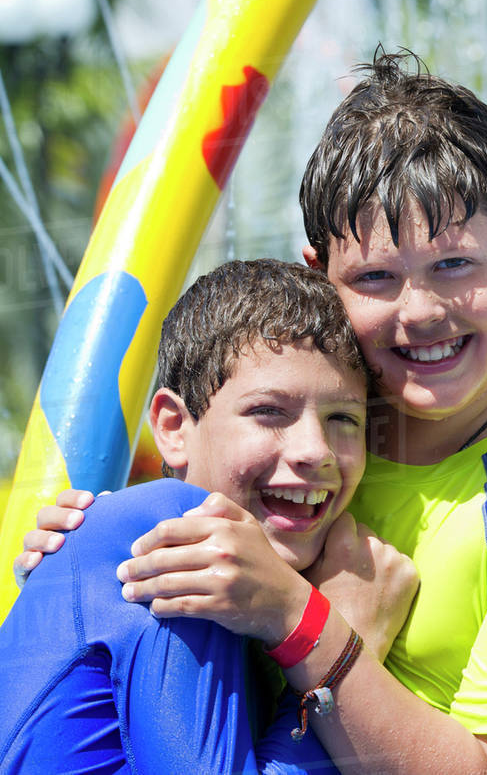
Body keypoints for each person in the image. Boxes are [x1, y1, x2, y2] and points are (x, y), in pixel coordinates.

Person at [19, 50, 487, 775]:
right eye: (376, 277)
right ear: (319, 279)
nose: (422, 312)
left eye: (455, 265)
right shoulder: (309, 449)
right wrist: (89, 549)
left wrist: (301, 621)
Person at [0, 259, 417, 773]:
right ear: (174, 427)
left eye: (344, 419)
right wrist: (342, 647)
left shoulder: (233, 568)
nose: (317, 450)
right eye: (269, 411)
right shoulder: (169, 532)